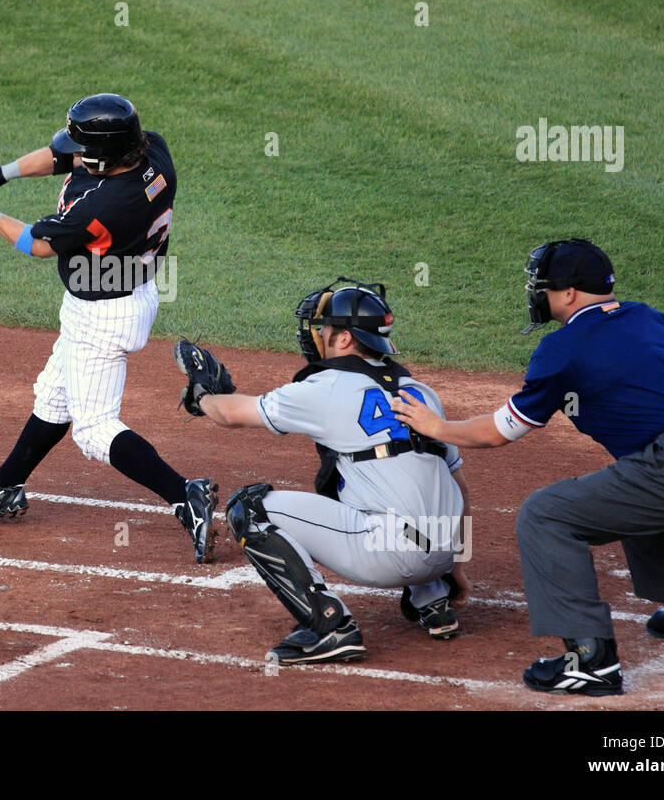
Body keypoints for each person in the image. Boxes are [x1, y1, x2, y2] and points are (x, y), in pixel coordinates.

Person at [391, 238, 664, 696]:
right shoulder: (649, 318)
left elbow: (497, 432)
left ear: (567, 293)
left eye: (541, 286)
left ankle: (591, 660)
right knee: (636, 491)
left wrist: (435, 425)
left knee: (546, 515)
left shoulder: (562, 348)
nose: (536, 294)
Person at [0, 94, 218, 563]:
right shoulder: (152, 151)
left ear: (104, 158)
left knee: (94, 429)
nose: (75, 155)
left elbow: (38, 244)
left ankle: (185, 495)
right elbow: (65, 154)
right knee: (53, 397)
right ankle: (5, 487)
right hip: (122, 292)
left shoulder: (105, 206)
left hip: (104, 313)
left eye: (85, 150)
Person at [176, 277, 470, 665]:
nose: (318, 336)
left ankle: (330, 626)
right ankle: (433, 599)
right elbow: (459, 486)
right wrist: (458, 567)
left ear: (346, 339)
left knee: (249, 509)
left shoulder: (328, 385)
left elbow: (230, 414)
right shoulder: (420, 391)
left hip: (390, 553)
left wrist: (202, 395)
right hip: (444, 552)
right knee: (389, 478)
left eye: (325, 328)